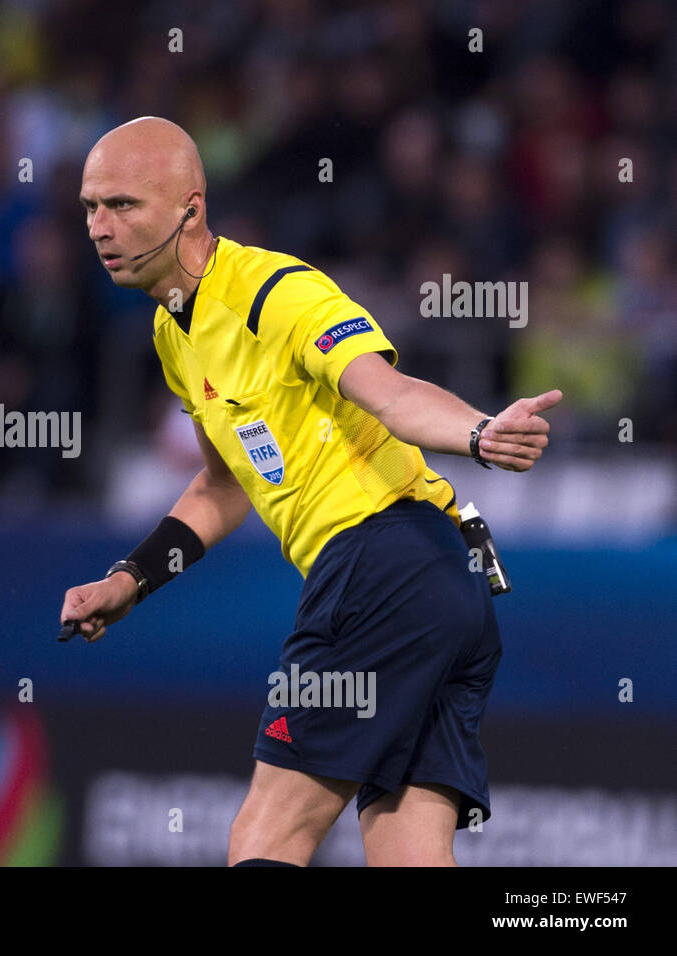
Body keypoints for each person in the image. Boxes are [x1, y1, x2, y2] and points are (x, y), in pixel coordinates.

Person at [59, 117, 561, 867]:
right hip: (445, 587)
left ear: (190, 209)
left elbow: (390, 394)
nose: (100, 227)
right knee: (407, 855)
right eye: (90, 207)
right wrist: (131, 579)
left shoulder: (274, 292)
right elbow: (225, 483)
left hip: (380, 567)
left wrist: (481, 433)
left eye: (122, 205)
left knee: (270, 836)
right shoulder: (173, 335)